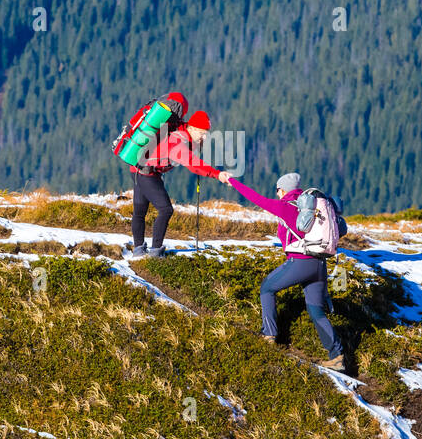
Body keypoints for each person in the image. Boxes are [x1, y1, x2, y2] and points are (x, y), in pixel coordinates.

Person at [218, 170, 344, 369]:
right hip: (320, 263)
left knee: (267, 288)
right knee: (316, 310)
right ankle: (337, 356)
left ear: (282, 189)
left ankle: (269, 334)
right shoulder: (313, 207)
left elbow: (254, 197)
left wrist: (231, 181)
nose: (277, 194)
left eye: (277, 191)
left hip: (300, 262)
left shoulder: (285, 205)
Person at [128, 107, 222, 257]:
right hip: (146, 173)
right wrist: (217, 174)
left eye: (206, 134)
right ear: (191, 128)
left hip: (138, 168)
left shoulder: (182, 131)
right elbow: (191, 162)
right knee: (165, 210)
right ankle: (155, 252)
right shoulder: (178, 141)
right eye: (201, 133)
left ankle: (139, 251)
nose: (204, 137)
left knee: (140, 211)